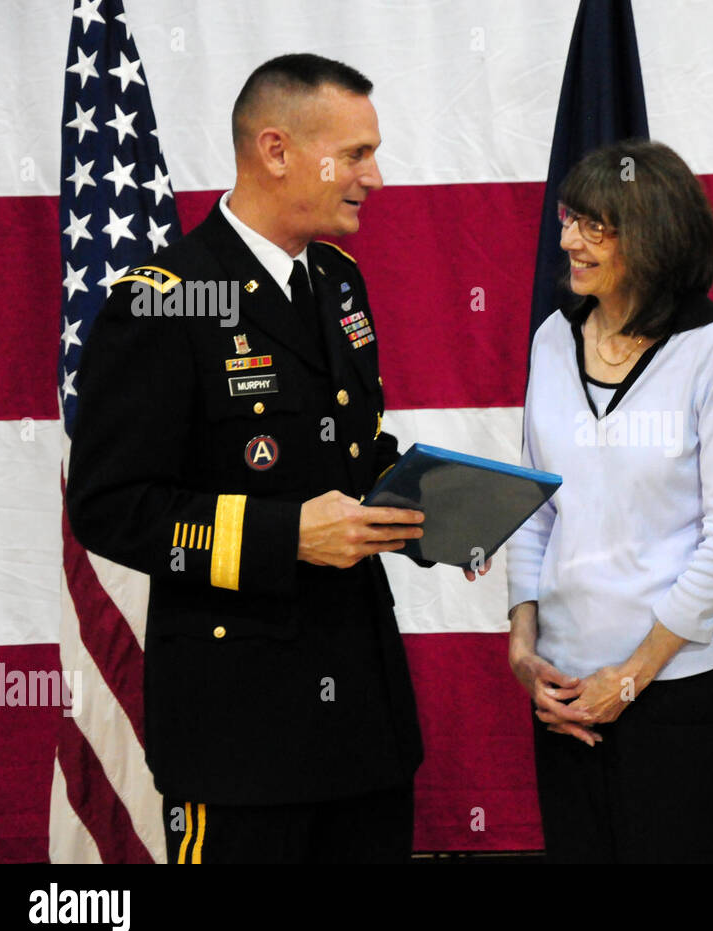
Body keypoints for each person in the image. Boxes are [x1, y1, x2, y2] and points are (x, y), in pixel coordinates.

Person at [66, 54, 470, 863]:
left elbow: (354, 453)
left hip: (363, 715)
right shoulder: (167, 296)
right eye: (355, 154)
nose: (376, 178)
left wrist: (448, 510)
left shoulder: (341, 283)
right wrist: (285, 535)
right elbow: (112, 507)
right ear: (277, 149)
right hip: (239, 729)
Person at [506, 140, 713, 863]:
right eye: (567, 219)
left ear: (652, 233)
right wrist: (525, 648)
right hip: (564, 696)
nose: (566, 240)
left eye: (594, 225)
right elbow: (535, 505)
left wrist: (630, 677)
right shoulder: (553, 338)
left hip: (678, 693)